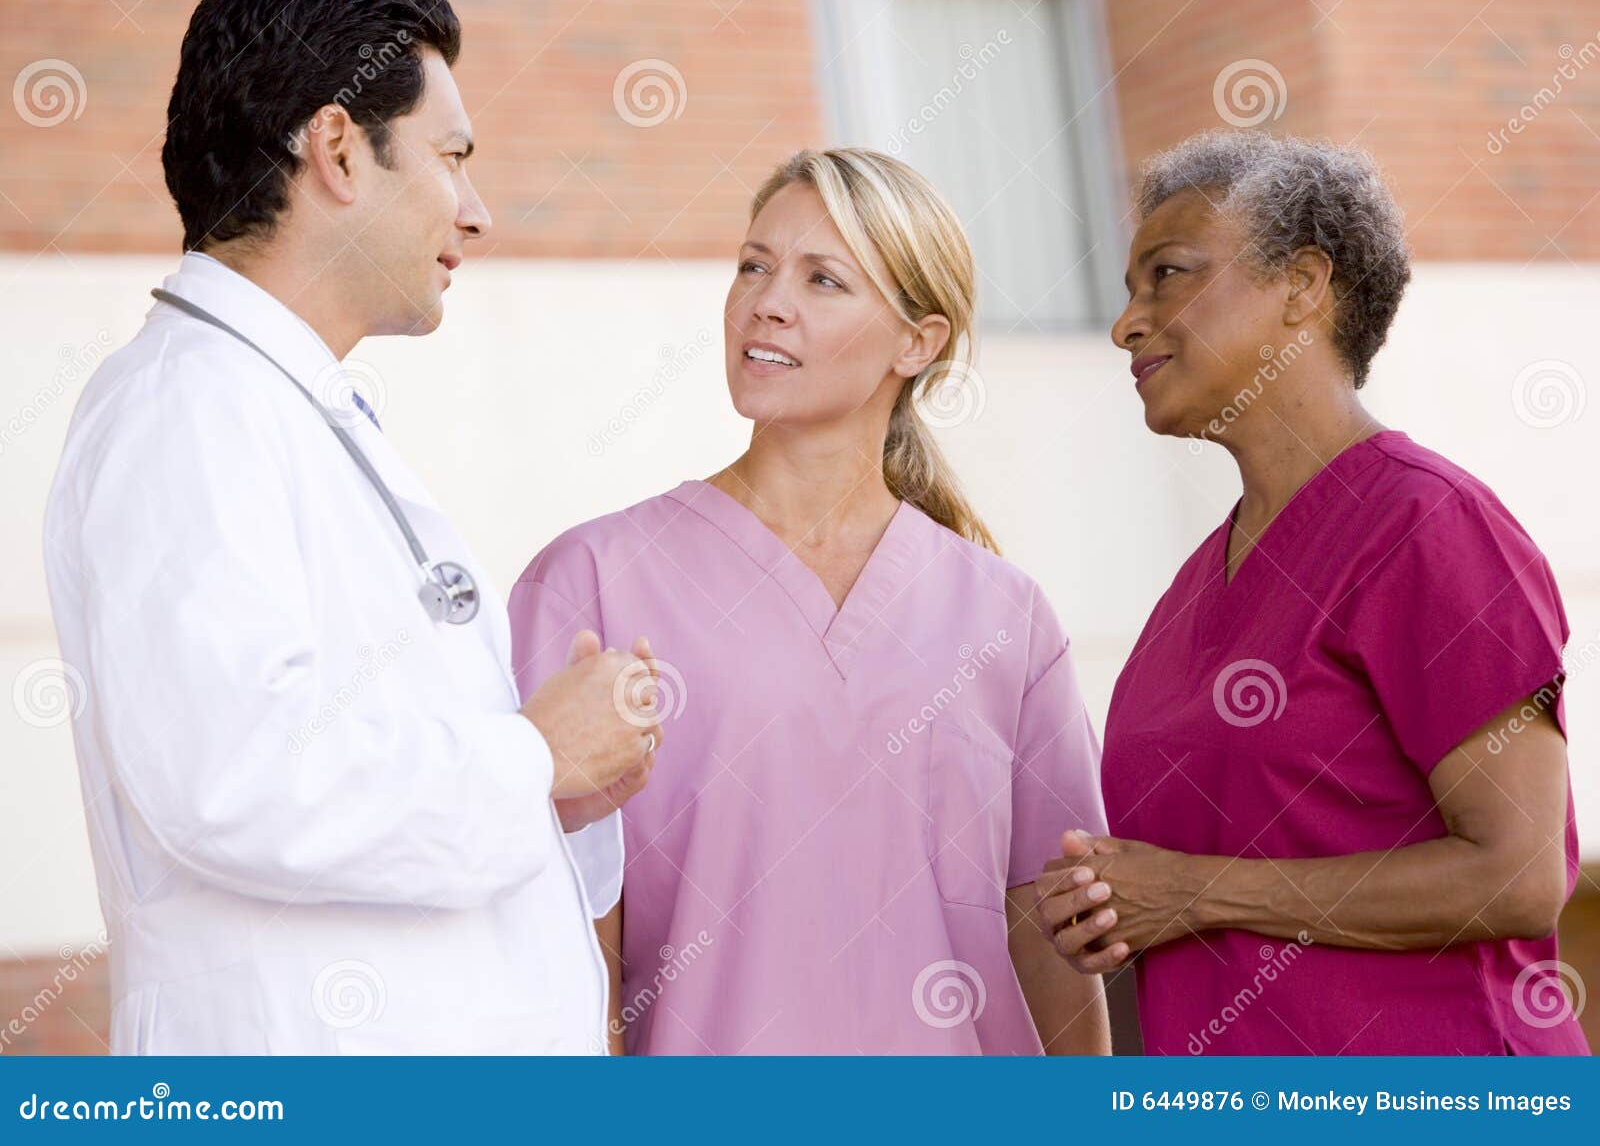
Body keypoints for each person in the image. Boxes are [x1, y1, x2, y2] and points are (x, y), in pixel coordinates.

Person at [41, 0, 658, 1054]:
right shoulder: (188, 406)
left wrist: (559, 786)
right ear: (335, 146)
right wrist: (532, 757)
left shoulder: (278, 405)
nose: (477, 210)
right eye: (452, 155)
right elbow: (234, 774)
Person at [509, 148, 1110, 1055]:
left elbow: (1052, 930)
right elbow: (555, 930)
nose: (767, 301)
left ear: (920, 341)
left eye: (822, 279)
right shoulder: (591, 578)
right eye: (754, 264)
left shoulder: (1005, 618)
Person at [1038, 129, 1589, 1055]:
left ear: (1302, 285)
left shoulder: (1428, 525)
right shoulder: (1190, 589)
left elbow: (1519, 873)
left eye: (1167, 275)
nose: (1126, 322)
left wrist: (1192, 890)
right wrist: (1108, 901)